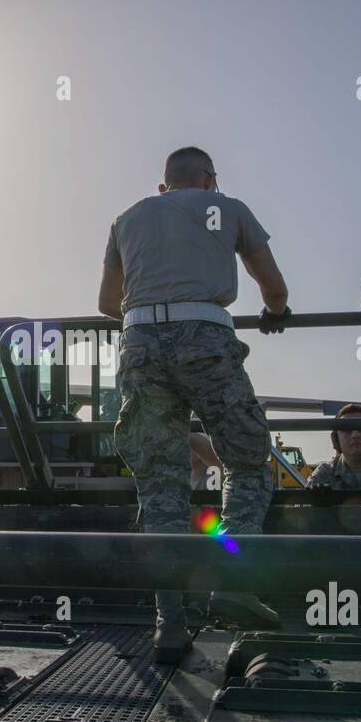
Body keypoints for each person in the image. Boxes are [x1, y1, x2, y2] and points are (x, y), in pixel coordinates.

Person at [98, 146, 292, 662]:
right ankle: (232, 581)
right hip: (205, 338)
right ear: (209, 179)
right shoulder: (226, 206)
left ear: (164, 186)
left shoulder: (128, 218)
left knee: (161, 486)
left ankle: (170, 626)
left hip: (138, 345)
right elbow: (272, 286)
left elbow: (105, 303)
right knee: (249, 461)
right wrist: (276, 311)